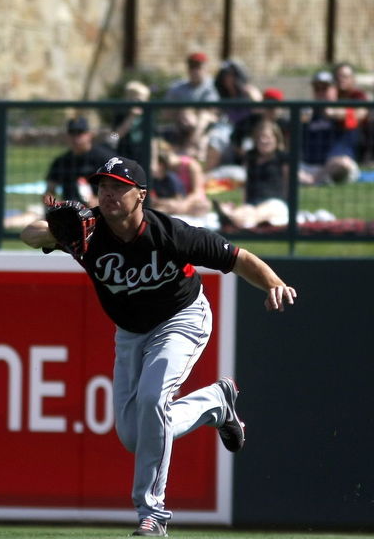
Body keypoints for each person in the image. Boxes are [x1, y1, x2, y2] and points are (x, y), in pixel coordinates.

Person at [20, 156, 297, 537]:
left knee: (153, 401)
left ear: (141, 196)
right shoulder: (86, 232)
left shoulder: (170, 233)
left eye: (119, 186)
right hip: (131, 333)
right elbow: (29, 235)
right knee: (134, 436)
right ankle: (215, 402)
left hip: (181, 318)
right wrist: (55, 228)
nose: (109, 193)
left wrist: (273, 283)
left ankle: (152, 513)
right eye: (104, 186)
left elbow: (237, 258)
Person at [213, 120, 290, 230]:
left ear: (276, 139)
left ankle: (231, 216)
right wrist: (244, 203)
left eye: (267, 137)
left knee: (260, 212)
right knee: (245, 211)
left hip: (275, 202)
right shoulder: (250, 157)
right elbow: (247, 183)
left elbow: (288, 184)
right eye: (260, 138)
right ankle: (235, 216)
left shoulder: (283, 158)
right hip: (253, 203)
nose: (263, 141)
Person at [300, 70, 360, 185]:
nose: (321, 92)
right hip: (311, 166)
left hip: (336, 165)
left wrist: (335, 114)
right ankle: (317, 180)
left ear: (335, 89)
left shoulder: (344, 107)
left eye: (325, 88)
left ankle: (315, 181)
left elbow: (354, 120)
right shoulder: (308, 113)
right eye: (317, 89)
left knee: (343, 163)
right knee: (287, 165)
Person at [43, 116, 116, 207]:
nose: (76, 138)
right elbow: (49, 190)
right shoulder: (60, 161)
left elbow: (117, 190)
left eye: (80, 133)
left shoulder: (105, 159)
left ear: (90, 134)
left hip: (99, 210)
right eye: (72, 133)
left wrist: (98, 201)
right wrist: (53, 204)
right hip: (69, 210)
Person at [150, 139, 211, 217]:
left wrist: (183, 204)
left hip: (191, 202)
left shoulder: (191, 165)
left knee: (203, 205)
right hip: (171, 202)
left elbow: (198, 192)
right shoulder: (164, 172)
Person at [112, 80, 150, 159]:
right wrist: (131, 117)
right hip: (124, 155)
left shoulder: (147, 116)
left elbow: (153, 140)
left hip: (142, 155)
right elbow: (115, 137)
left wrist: (153, 161)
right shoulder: (121, 115)